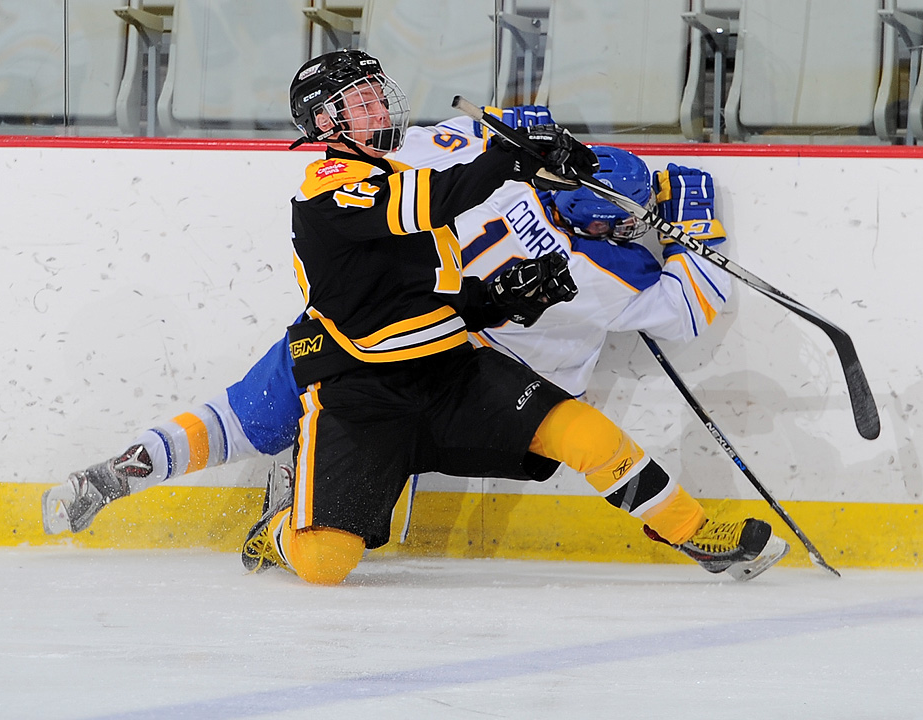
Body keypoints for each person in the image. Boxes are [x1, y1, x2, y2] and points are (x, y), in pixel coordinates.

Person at [44, 51, 787, 584]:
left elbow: (432, 287)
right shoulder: (332, 180)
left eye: (376, 93)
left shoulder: (423, 154)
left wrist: (504, 294)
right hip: (354, 375)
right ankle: (255, 516)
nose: (376, 108)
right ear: (325, 122)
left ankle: (697, 535)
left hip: (450, 359)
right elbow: (433, 203)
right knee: (315, 535)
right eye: (356, 101)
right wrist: (514, 154)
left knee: (581, 432)